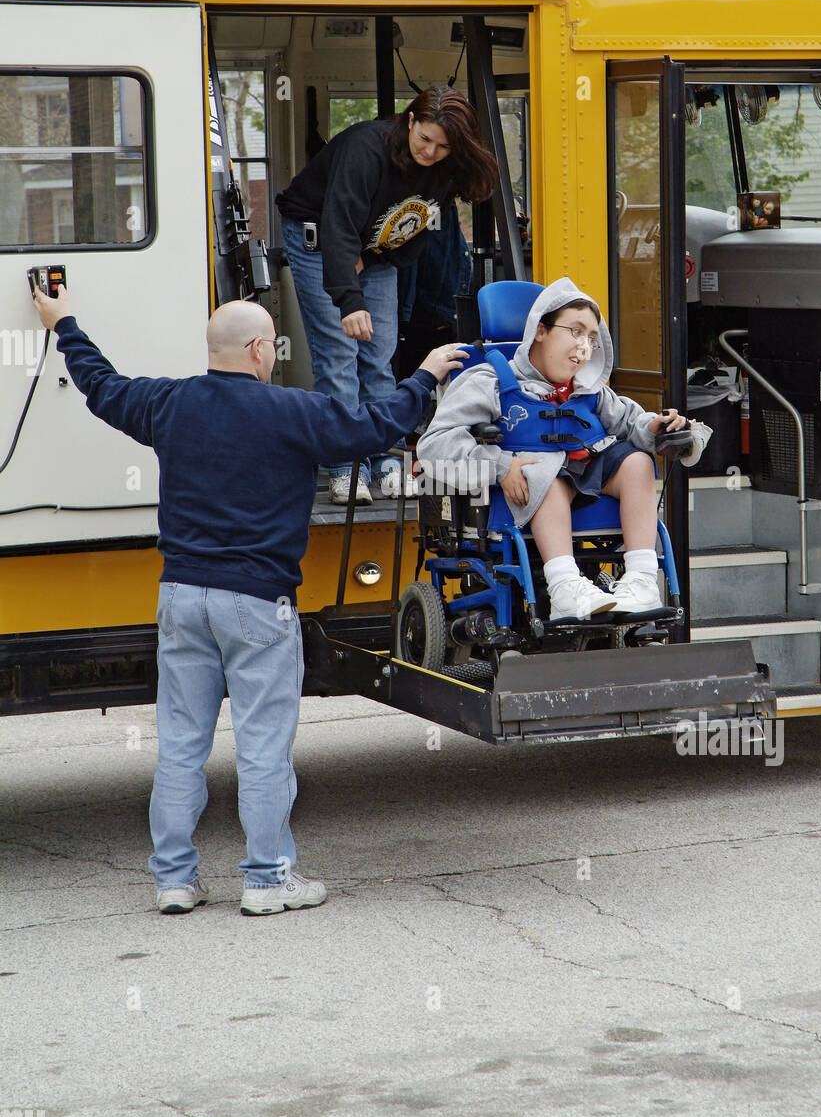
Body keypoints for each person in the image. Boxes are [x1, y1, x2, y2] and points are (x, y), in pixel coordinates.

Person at [32, 284, 465, 916]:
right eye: (273, 347)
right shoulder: (292, 411)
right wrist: (425, 377)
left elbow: (100, 383)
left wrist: (63, 321)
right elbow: (378, 426)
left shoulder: (167, 402)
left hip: (181, 597)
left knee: (181, 745)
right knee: (263, 748)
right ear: (260, 349)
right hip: (257, 604)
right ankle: (266, 881)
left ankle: (175, 881)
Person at [417, 277, 711, 620]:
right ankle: (565, 589)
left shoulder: (589, 388)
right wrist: (501, 465)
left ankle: (642, 582)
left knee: (638, 463)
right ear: (540, 330)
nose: (584, 347)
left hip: (585, 474)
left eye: (591, 337)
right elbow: (436, 443)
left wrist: (656, 427)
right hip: (529, 486)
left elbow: (630, 421)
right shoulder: (489, 380)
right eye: (575, 331)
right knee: (550, 477)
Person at [277, 84, 497, 503]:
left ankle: (384, 462)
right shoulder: (366, 148)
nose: (430, 152)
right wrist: (349, 299)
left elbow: (412, 226)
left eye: (443, 146)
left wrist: (373, 255)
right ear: (409, 121)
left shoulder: (442, 170)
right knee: (339, 356)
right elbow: (338, 224)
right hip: (318, 237)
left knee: (378, 359)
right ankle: (345, 468)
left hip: (373, 248)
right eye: (424, 139)